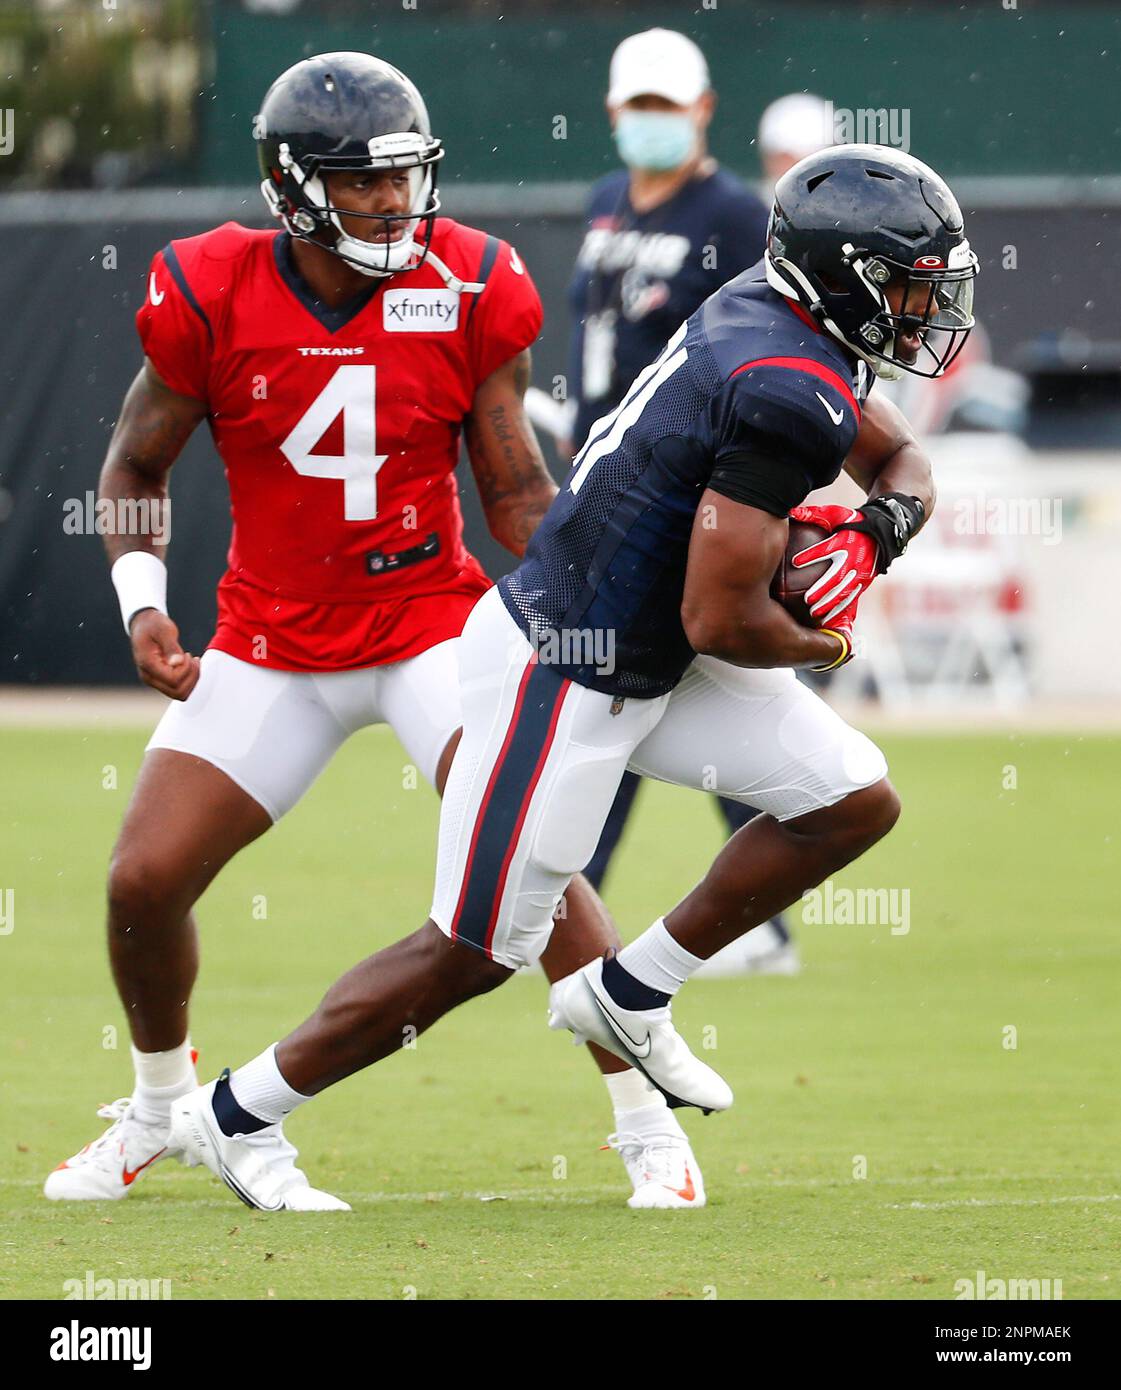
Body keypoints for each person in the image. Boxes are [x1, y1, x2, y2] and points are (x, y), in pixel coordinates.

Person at [170, 144, 977, 1213]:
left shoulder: (776, 314)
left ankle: (631, 988)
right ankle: (232, 1117)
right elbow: (721, 615)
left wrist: (874, 536)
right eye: (910, 285)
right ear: (839, 277)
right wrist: (829, 642)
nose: (927, 307)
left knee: (849, 799)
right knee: (471, 950)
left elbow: (902, 465)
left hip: (648, 654)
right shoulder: (784, 387)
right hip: (562, 667)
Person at [45, 51, 681, 1212]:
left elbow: (513, 489)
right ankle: (154, 1107)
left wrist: (578, 608)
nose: (393, 202)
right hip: (268, 638)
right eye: (362, 181)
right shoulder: (207, 286)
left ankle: (645, 1125)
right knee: (141, 878)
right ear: (291, 185)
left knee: (532, 861)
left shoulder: (472, 282)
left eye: (405, 175)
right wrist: (143, 603)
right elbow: (136, 460)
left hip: (430, 627)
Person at [568, 29, 793, 970]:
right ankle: (567, 909)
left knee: (617, 705)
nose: (653, 122)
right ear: (616, 111)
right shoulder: (604, 202)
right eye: (638, 106)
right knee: (633, 707)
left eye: (670, 105)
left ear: (702, 109)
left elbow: (770, 350)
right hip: (600, 482)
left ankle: (555, 905)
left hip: (684, 493)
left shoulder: (735, 216)